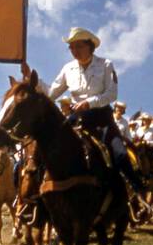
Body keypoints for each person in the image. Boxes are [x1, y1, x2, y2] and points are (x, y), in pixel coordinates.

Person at [47, 27, 146, 196]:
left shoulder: (106, 65)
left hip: (102, 120)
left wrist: (89, 103)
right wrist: (32, 82)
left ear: (90, 46)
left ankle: (138, 193)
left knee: (120, 154)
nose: (74, 51)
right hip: (76, 120)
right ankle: (37, 200)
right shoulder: (67, 68)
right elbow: (51, 92)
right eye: (71, 47)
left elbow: (111, 94)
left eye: (78, 46)